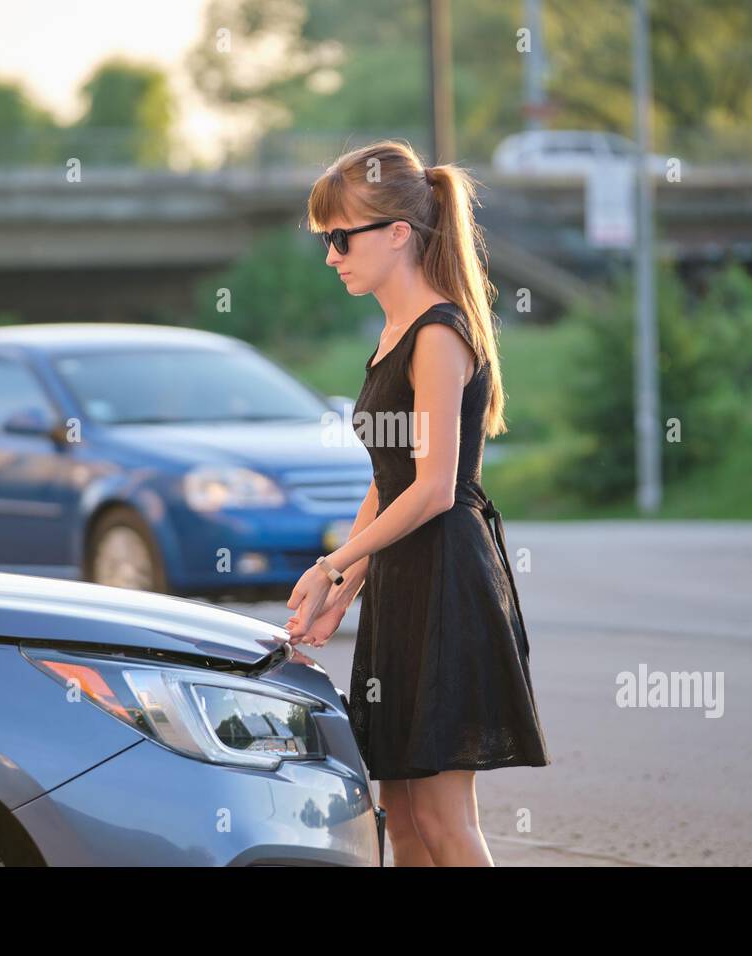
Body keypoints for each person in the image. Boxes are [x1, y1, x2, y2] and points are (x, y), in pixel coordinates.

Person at [284, 139, 551, 867]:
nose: (332, 254)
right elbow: (387, 480)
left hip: (448, 578)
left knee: (441, 817)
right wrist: (343, 589)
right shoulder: (392, 333)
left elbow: (434, 487)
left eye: (342, 237)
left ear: (397, 234)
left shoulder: (438, 332)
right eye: (325, 239)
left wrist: (331, 561)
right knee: (398, 814)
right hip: (404, 578)